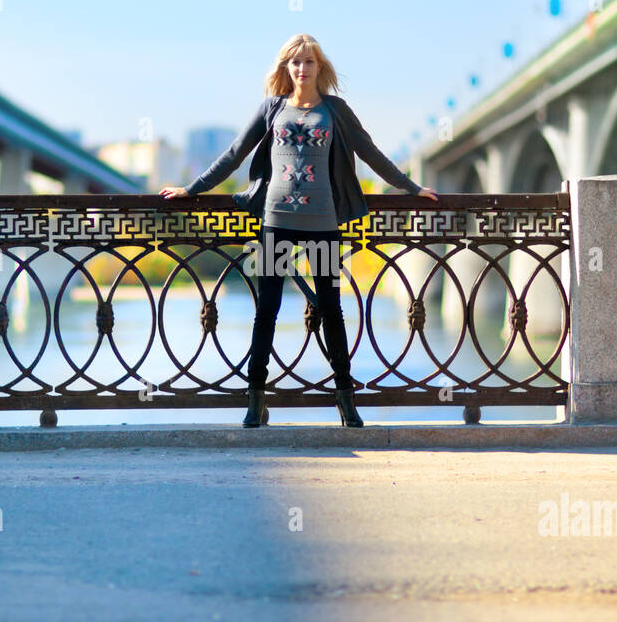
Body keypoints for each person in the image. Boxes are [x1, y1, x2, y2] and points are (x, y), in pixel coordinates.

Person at [160, 33, 438, 428]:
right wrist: (193, 188)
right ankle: (257, 400)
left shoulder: (336, 110)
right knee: (267, 312)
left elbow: (371, 153)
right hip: (276, 223)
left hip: (323, 226)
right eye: (295, 62)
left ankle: (346, 400)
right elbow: (235, 153)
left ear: (319, 68)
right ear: (286, 68)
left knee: (332, 312)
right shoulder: (272, 109)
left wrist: (411, 188)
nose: (302, 68)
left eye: (309, 62)